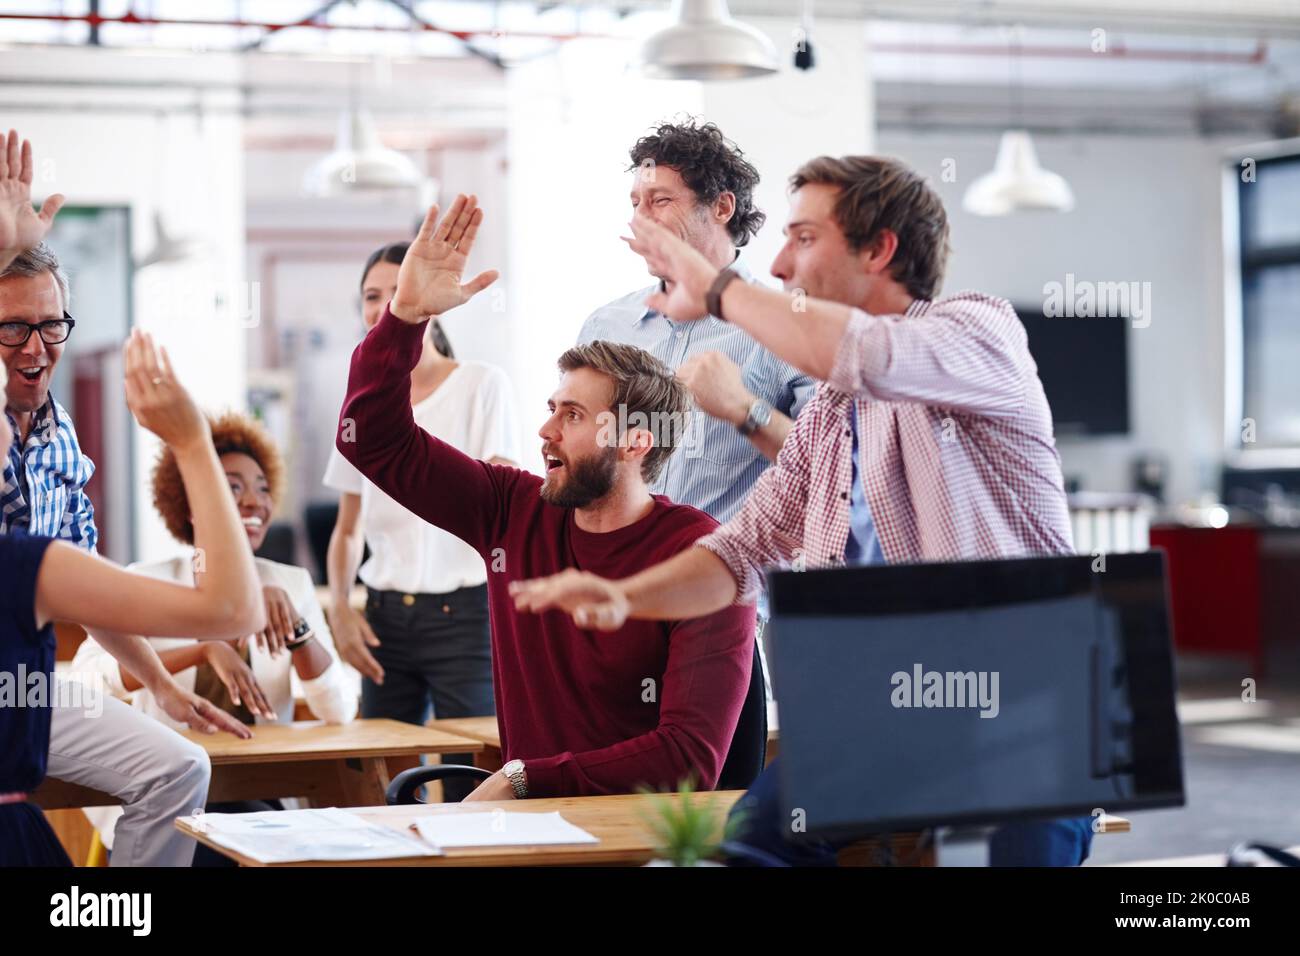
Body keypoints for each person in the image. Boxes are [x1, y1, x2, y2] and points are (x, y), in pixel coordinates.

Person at [509, 155, 1092, 866]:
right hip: (883, 718)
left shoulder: (976, 332)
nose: (781, 264)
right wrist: (622, 595)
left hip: (1026, 709)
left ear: (879, 250)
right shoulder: (831, 416)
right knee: (748, 846)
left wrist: (716, 288)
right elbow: (738, 554)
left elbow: (863, 351)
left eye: (804, 239)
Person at [336, 195, 754, 800]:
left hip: (635, 844)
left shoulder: (705, 557)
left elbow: (687, 758)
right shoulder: (511, 510)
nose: (545, 431)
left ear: (636, 440)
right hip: (529, 832)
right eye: (552, 409)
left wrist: (525, 776)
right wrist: (403, 318)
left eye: (574, 415)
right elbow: (370, 439)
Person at [0, 128, 256, 866]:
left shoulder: (60, 438)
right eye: (11, 326)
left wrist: (159, 687)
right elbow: (224, 608)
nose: (34, 347)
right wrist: (191, 442)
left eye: (50, 325)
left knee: (179, 766)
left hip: (29, 689)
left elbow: (86, 585)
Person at [73, 410, 356, 859]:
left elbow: (338, 709)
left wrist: (297, 629)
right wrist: (202, 651)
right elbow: (88, 684)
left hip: (261, 800)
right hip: (171, 799)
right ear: (193, 503)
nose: (253, 502)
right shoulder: (146, 580)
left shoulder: (291, 583)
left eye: (262, 489)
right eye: (233, 487)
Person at [324, 241, 520, 801]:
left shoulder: (482, 384)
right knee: (378, 777)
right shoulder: (362, 401)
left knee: (472, 780)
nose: (388, 306)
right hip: (384, 619)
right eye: (372, 296)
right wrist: (339, 605)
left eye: (399, 291)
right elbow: (346, 526)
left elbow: (502, 505)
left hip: (465, 614)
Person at [578, 120, 815, 522]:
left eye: (660, 200)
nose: (641, 219)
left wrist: (745, 408)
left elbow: (829, 470)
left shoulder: (788, 328)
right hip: (616, 572)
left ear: (722, 207)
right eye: (636, 203)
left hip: (727, 576)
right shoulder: (605, 326)